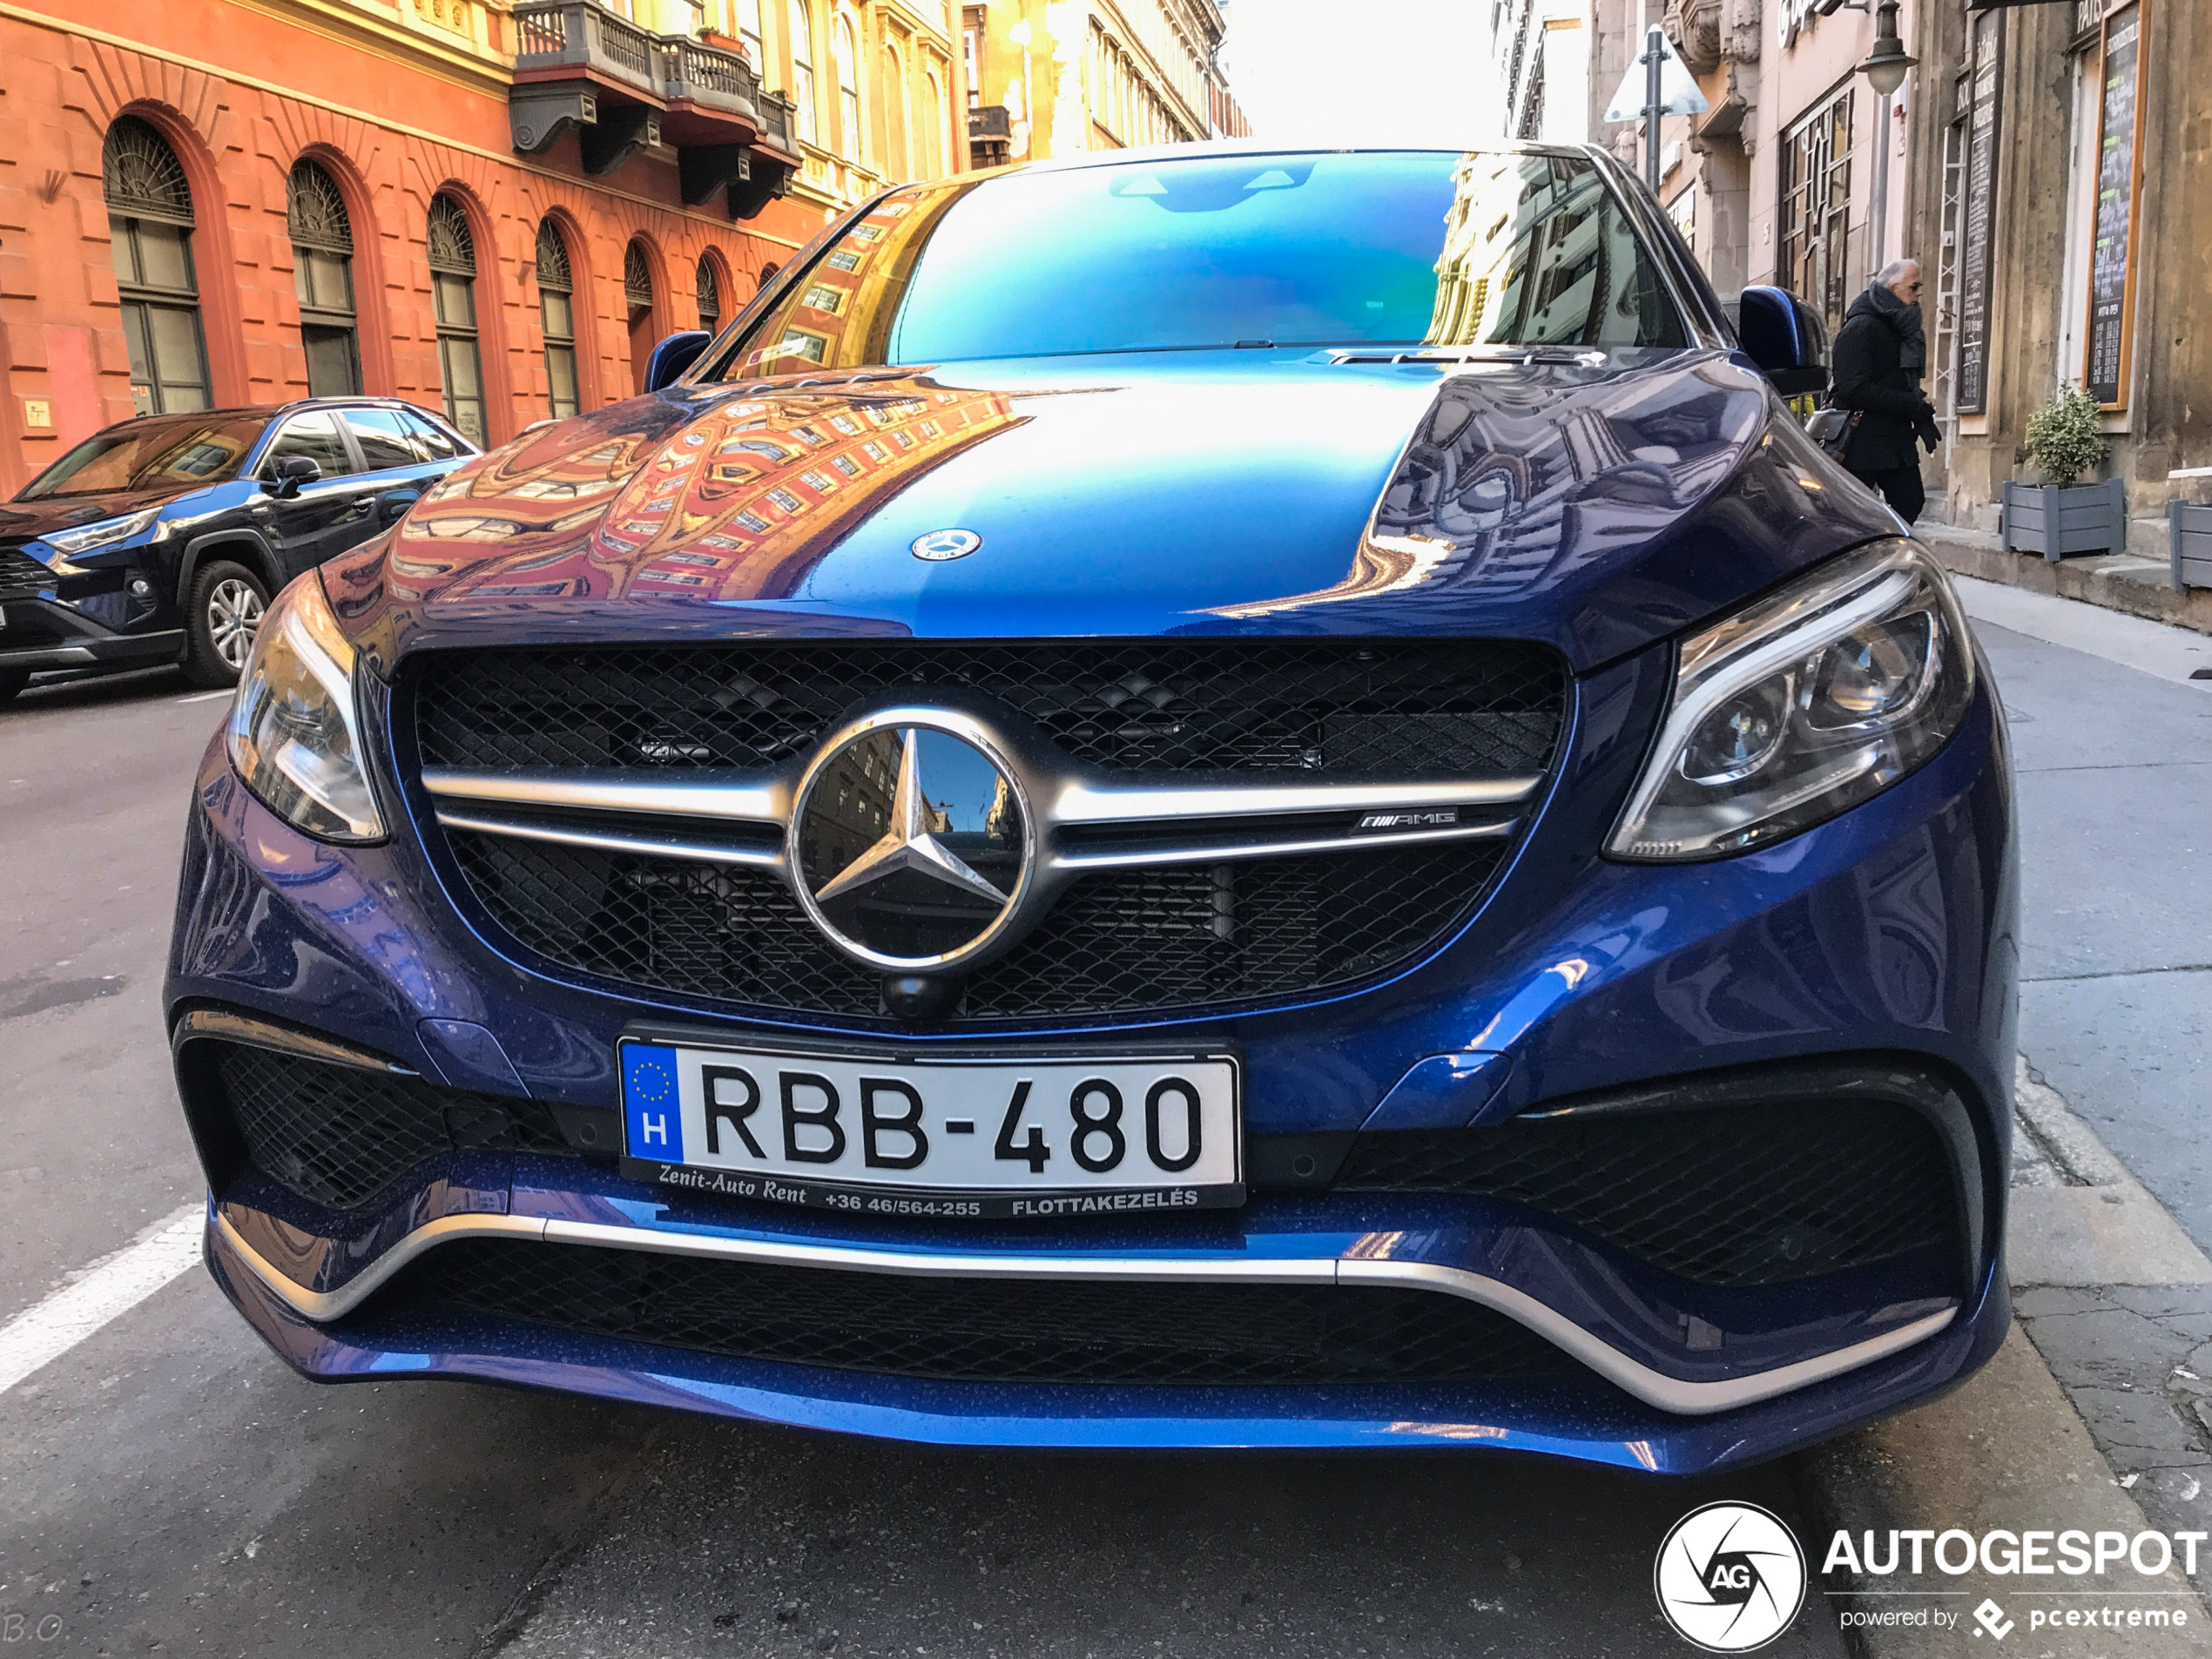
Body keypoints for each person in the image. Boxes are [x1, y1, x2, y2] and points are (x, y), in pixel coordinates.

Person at [1829, 259, 1942, 522]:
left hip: (1895, 442)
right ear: (1892, 289)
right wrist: (1910, 403)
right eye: (1913, 287)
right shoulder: (1860, 327)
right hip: (1861, 444)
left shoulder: (1902, 328)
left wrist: (1919, 402)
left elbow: (1895, 378)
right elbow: (1853, 388)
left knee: (1911, 502)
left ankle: (1887, 554)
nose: (1918, 295)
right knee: (1851, 515)